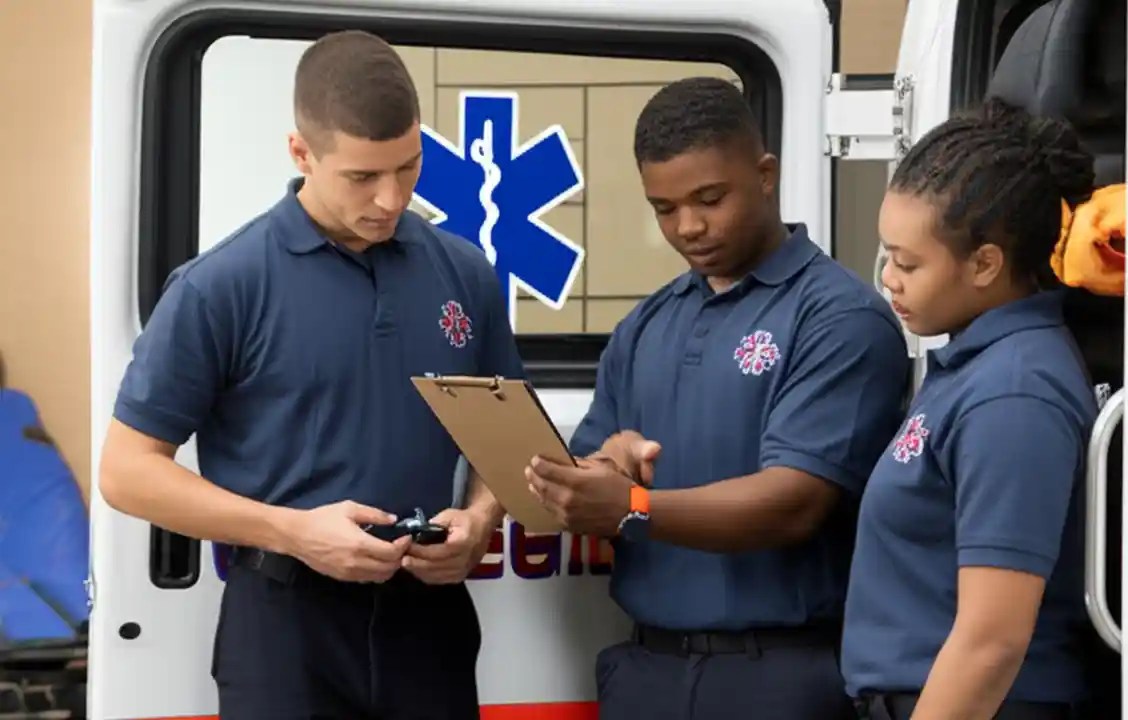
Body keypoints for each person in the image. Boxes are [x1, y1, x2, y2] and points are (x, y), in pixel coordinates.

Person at [98, 30, 522, 719]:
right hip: (285, 625)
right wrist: (291, 531)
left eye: (409, 168)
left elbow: (505, 440)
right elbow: (126, 471)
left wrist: (479, 519)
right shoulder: (222, 286)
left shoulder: (464, 271)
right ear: (301, 152)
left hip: (429, 618)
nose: (391, 199)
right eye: (362, 177)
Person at [525, 77, 911, 720]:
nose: (689, 227)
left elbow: (794, 503)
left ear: (765, 174)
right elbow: (591, 472)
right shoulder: (646, 324)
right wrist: (601, 470)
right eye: (664, 208)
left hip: (779, 673)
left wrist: (633, 505)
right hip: (646, 667)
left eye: (709, 198)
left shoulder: (838, 317)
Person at [842, 97, 1100, 720]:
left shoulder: (1014, 392)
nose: (890, 281)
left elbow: (992, 641)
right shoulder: (972, 364)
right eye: (886, 257)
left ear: (985, 263)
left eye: (908, 264)